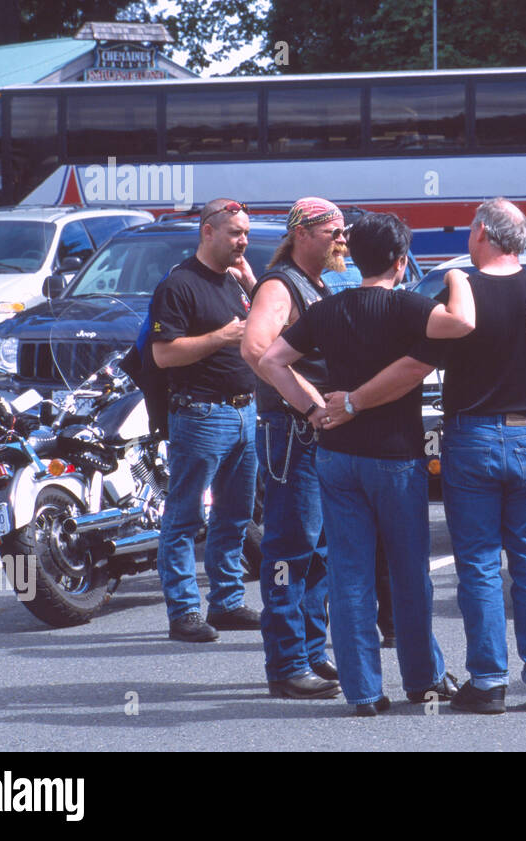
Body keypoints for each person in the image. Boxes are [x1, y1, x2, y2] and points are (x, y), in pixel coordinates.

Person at [259, 213, 474, 716]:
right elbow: (462, 321)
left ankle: (363, 691)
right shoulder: (408, 307)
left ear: (352, 258)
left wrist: (313, 410)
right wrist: (457, 275)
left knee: (349, 575)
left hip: (335, 454)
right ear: (401, 261)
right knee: (407, 573)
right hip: (396, 456)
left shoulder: (327, 309)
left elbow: (270, 361)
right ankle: (422, 681)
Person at [425, 199, 526, 714]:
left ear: (481, 236)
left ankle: (488, 683)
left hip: (471, 436)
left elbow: (425, 353)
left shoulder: (460, 289)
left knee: (477, 564)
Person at [240, 197, 345, 698]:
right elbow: (257, 349)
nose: (342, 240)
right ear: (303, 233)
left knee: (318, 548)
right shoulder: (280, 285)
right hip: (291, 431)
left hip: (311, 432)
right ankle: (285, 666)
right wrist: (309, 405)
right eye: (334, 232)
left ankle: (309, 652)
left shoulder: (315, 283)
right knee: (288, 546)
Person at [149, 198, 260, 642]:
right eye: (236, 233)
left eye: (246, 233)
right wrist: (221, 337)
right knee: (184, 517)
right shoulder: (178, 285)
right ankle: (184, 612)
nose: (243, 241)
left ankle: (228, 602)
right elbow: (163, 354)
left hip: (243, 411)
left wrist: (252, 281)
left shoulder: (235, 282)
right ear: (208, 232)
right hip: (201, 413)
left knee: (234, 516)